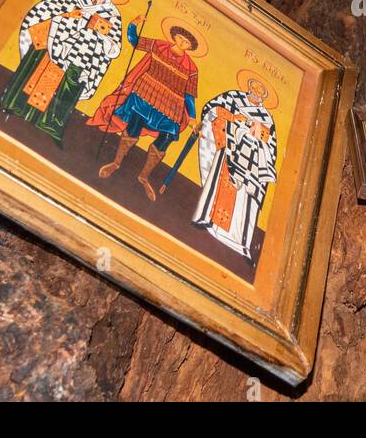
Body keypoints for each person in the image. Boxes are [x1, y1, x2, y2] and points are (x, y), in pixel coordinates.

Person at [0, 0, 123, 145]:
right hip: (53, 45)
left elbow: (114, 49)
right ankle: (18, 108)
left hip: (82, 59)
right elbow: (45, 12)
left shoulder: (112, 15)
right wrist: (75, 18)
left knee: (65, 89)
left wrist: (101, 34)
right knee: (38, 75)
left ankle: (48, 126)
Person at [88, 17, 200, 201]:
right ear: (174, 36)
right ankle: (116, 163)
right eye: (180, 38)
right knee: (134, 125)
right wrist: (133, 24)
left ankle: (144, 176)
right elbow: (135, 41)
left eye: (186, 42)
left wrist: (193, 119)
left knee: (167, 137)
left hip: (171, 105)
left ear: (190, 47)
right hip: (146, 93)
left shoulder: (192, 68)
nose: (182, 42)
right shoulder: (158, 45)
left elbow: (189, 95)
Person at [191, 78, 279, 265]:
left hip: (252, 167)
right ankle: (210, 221)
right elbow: (211, 110)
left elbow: (270, 147)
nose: (256, 91)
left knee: (244, 202)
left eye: (260, 90)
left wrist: (257, 140)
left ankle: (239, 241)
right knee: (221, 188)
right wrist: (234, 120)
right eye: (254, 86)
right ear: (248, 86)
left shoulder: (267, 118)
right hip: (229, 154)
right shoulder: (233, 97)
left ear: (264, 96)